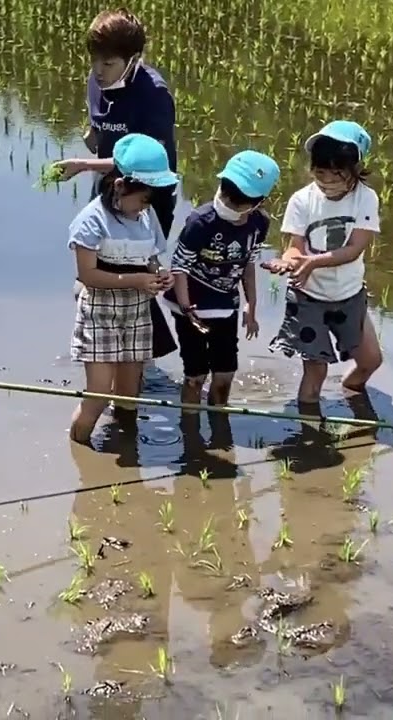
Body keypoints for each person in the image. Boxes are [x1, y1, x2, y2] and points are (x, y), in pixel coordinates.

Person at [56, 7, 178, 364]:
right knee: (94, 275)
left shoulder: (154, 96)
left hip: (145, 194)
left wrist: (82, 165)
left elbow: (145, 164)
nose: (98, 71)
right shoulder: (97, 80)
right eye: (95, 62)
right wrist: (92, 139)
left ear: (133, 59)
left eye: (108, 64)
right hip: (107, 191)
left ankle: (142, 361)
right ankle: (109, 352)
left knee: (137, 272)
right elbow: (99, 128)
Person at [68, 133, 178, 444]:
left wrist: (160, 274)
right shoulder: (91, 221)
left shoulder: (146, 216)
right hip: (100, 312)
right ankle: (81, 452)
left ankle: (125, 447)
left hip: (136, 313)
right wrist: (138, 280)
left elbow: (152, 258)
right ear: (119, 186)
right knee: (99, 394)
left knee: (130, 395)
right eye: (143, 198)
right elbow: (88, 275)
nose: (146, 207)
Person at [264, 121, 383, 407]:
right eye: (320, 174)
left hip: (349, 295)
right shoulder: (302, 200)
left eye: (337, 176)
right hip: (308, 298)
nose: (328, 183)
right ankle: (310, 438)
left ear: (354, 170)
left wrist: (313, 262)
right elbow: (295, 248)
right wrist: (286, 263)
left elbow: (355, 249)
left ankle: (352, 391)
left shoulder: (365, 199)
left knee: (370, 360)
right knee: (316, 370)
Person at [163, 151, 280, 408]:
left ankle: (219, 419)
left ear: (258, 202)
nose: (228, 203)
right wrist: (186, 307)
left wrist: (251, 306)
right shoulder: (200, 222)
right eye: (226, 193)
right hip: (189, 303)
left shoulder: (259, 224)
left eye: (238, 202)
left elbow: (248, 263)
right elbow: (179, 267)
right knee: (196, 375)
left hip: (225, 305)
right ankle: (190, 426)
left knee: (225, 373)